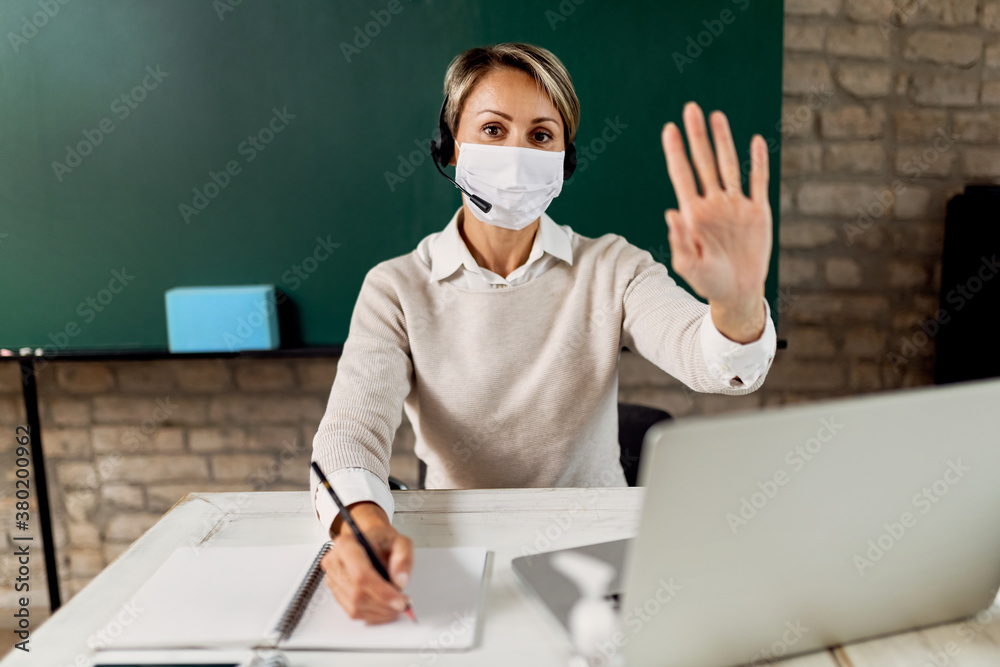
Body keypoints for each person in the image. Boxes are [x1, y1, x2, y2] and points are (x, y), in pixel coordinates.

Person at [311, 42, 776, 624]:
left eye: (539, 136)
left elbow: (713, 363)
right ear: (452, 148)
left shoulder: (613, 266)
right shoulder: (397, 287)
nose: (515, 152)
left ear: (565, 158)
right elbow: (351, 432)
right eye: (492, 129)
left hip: (596, 553)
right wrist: (362, 528)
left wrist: (736, 299)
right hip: (465, 552)